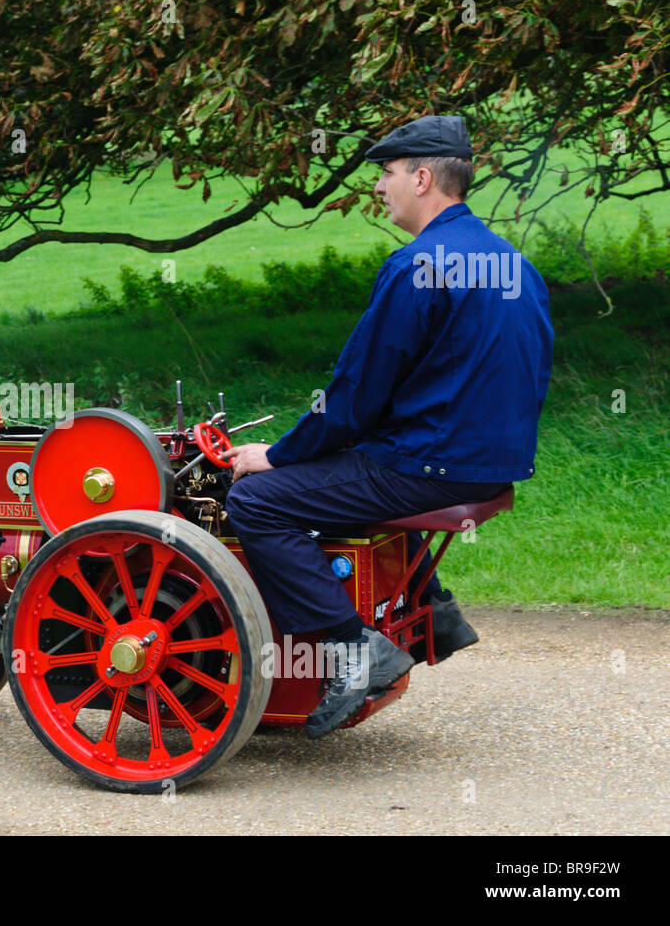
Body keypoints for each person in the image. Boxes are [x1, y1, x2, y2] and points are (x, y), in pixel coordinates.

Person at [220, 114, 554, 738]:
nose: (379, 187)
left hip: (431, 467)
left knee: (258, 500)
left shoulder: (417, 266)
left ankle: (353, 650)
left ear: (422, 178)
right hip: (491, 463)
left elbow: (354, 395)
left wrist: (281, 455)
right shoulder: (512, 263)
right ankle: (431, 604)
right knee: (354, 469)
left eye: (388, 172)